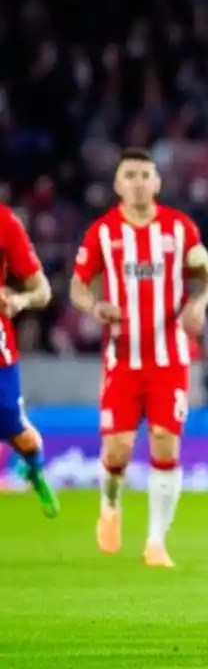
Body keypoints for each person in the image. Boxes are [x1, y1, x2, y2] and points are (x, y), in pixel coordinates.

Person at [69, 148, 208, 567]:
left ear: (157, 183)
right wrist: (94, 307)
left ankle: (156, 542)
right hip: (122, 358)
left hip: (169, 357)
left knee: (165, 442)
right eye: (129, 175)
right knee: (117, 451)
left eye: (145, 174)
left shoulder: (179, 228)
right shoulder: (101, 233)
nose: (138, 181)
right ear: (117, 185)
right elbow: (78, 285)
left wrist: (200, 304)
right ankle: (110, 506)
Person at [0, 204, 58, 517]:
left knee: (12, 424)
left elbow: (42, 290)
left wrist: (19, 300)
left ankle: (34, 467)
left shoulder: (5, 222)